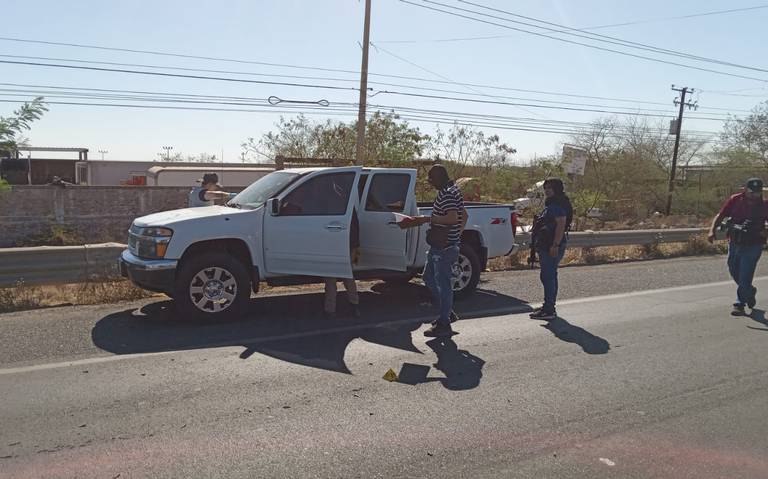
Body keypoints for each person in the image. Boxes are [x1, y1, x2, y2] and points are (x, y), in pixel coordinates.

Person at [400, 165, 467, 337]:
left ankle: (444, 322)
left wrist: (426, 219)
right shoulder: (451, 191)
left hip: (444, 248)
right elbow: (463, 216)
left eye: (431, 178)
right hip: (441, 245)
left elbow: (453, 218)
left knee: (443, 284)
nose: (430, 182)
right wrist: (456, 236)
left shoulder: (449, 193)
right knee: (428, 277)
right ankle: (447, 312)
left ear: (439, 177)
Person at [707, 177, 768, 316]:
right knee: (734, 270)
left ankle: (739, 303)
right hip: (735, 242)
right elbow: (721, 215)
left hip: (754, 244)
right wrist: (712, 230)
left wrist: (765, 231)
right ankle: (749, 291)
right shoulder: (735, 200)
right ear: (745, 190)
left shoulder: (765, 204)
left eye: (758, 192)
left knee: (746, 273)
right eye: (752, 192)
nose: (755, 195)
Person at [529, 177, 573, 321]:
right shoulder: (555, 203)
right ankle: (548, 306)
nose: (547, 190)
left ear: (557, 189)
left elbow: (561, 224)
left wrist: (555, 245)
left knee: (548, 276)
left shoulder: (557, 205)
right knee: (549, 275)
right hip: (548, 243)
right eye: (546, 188)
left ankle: (549, 309)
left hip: (551, 244)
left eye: (550, 188)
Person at [323, 209, 361, 319]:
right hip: (346, 244)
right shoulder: (347, 201)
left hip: (332, 246)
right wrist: (355, 246)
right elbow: (355, 227)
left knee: (331, 280)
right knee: (348, 277)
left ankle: (330, 310)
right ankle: (354, 305)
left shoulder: (325, 202)